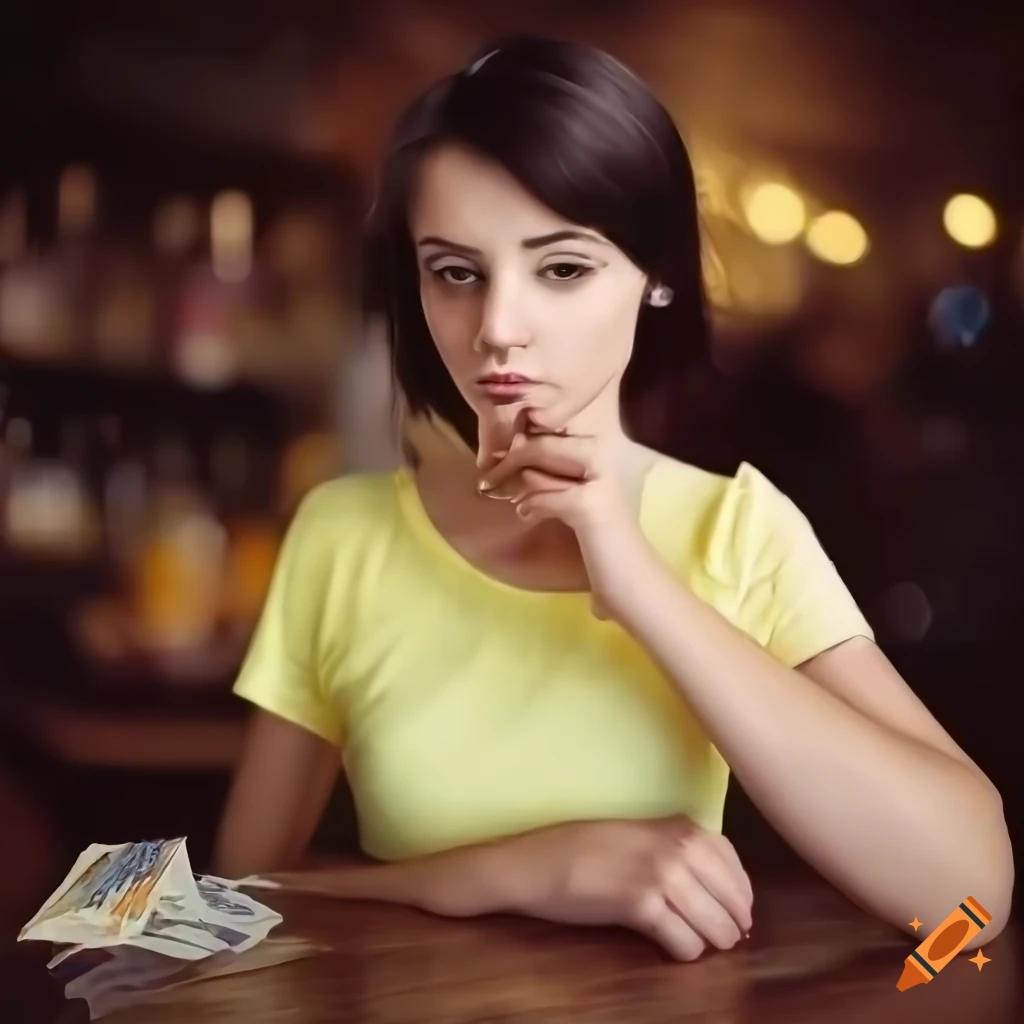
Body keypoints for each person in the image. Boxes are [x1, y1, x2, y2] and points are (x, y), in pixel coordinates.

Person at [213, 35, 1013, 961]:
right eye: (456, 272)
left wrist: (637, 584)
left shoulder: (736, 532)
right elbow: (235, 903)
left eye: (561, 268)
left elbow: (970, 901)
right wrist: (505, 874)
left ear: (657, 272)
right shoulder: (343, 536)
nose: (498, 328)